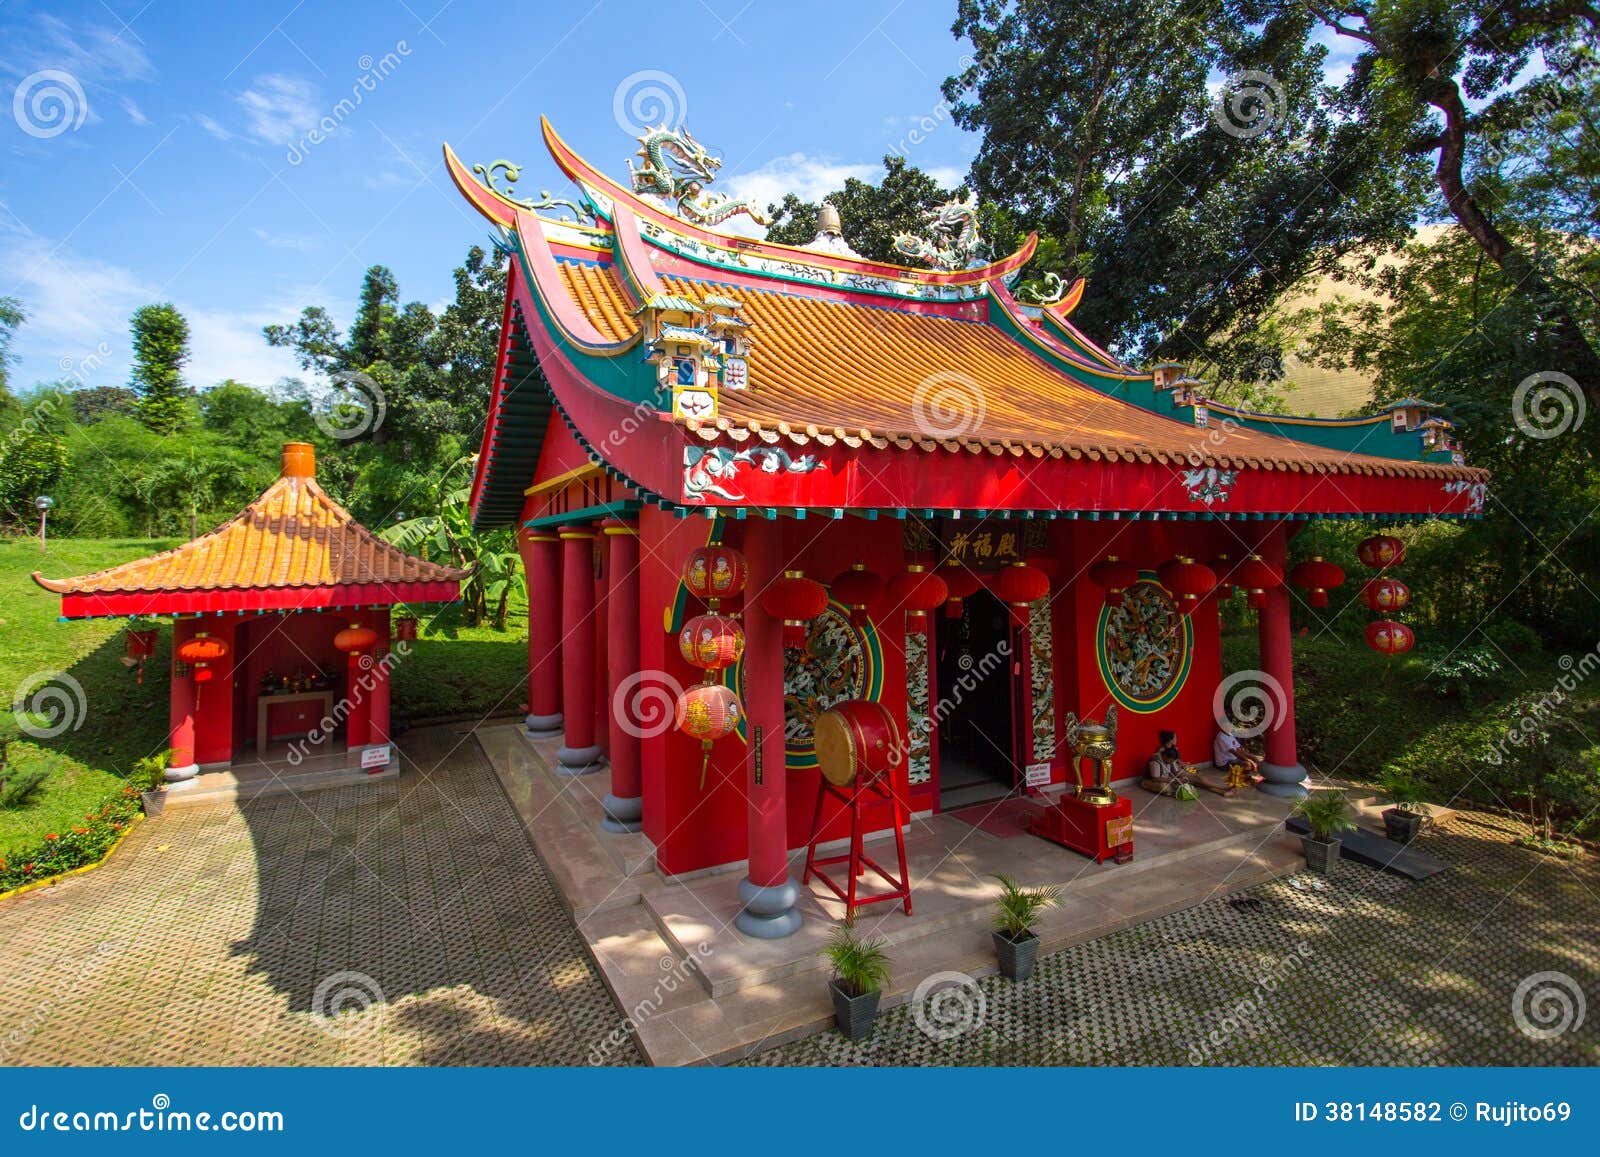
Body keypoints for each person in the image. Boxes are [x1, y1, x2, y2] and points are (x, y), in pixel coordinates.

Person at [1141, 730, 1195, 797]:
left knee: (1181, 782)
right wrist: (1174, 780)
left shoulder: (1170, 755)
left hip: (1164, 778)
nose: (1176, 740)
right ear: (1165, 756)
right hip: (1152, 780)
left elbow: (1170, 772)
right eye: (1175, 738)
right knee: (1164, 787)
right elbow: (1155, 778)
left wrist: (1178, 779)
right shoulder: (1155, 760)